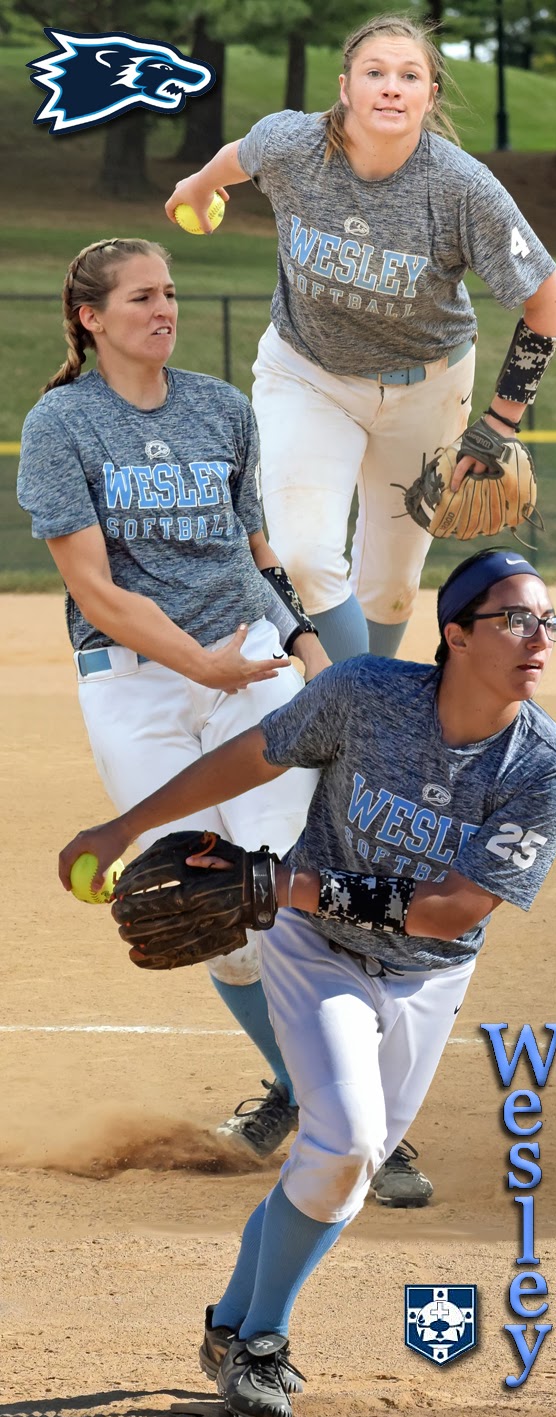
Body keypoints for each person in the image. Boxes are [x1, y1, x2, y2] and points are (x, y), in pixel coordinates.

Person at [57, 547, 556, 1417]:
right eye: (515, 619)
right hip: (317, 953)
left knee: (344, 1160)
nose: (541, 638)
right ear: (455, 635)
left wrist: (281, 883)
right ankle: (262, 1345)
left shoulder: (548, 768)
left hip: (428, 976)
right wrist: (124, 825)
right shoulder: (367, 693)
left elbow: (453, 910)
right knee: (342, 1143)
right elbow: (257, 754)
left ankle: (228, 1325)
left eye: (549, 622)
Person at [16, 235, 329, 1159]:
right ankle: (296, 1085)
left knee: (286, 880)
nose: (165, 309)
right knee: (197, 901)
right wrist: (199, 664)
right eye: (143, 296)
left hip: (254, 670)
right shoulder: (62, 424)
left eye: (171, 292)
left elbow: (257, 551)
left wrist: (307, 646)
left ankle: (355, 1124)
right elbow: (96, 591)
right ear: (91, 317)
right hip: (141, 685)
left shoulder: (221, 409)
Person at [164, 12, 556, 667]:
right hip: (307, 374)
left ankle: (359, 696)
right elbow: (237, 157)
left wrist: (499, 422)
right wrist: (198, 187)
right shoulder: (292, 145)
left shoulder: (461, 188)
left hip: (428, 390)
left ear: (429, 96)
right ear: (345, 87)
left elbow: (549, 303)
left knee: (389, 591)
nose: (391, 86)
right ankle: (365, 708)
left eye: (409, 75)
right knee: (299, 554)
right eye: (375, 72)